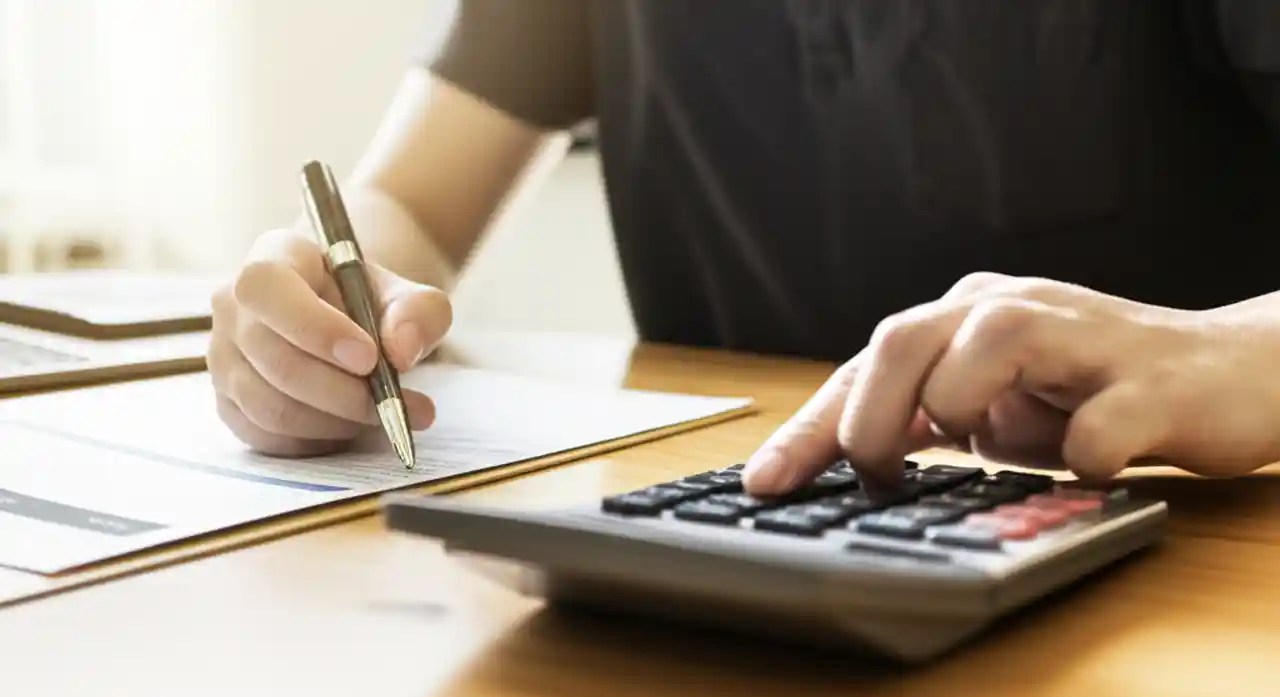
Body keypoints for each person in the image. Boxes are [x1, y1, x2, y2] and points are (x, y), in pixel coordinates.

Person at [207, 1, 1280, 496]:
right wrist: (329, 306)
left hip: (1165, 540)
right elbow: (409, 201)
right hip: (734, 522)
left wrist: (1225, 349)